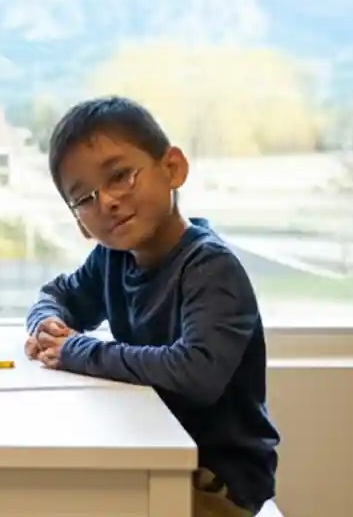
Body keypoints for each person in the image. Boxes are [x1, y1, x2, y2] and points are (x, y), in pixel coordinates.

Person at [23, 96, 279, 517]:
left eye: (120, 176)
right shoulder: (113, 257)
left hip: (219, 481)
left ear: (173, 168)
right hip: (155, 455)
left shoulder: (210, 267)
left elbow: (195, 372)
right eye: (84, 198)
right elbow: (59, 295)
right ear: (80, 223)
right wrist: (46, 323)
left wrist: (76, 351)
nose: (105, 201)